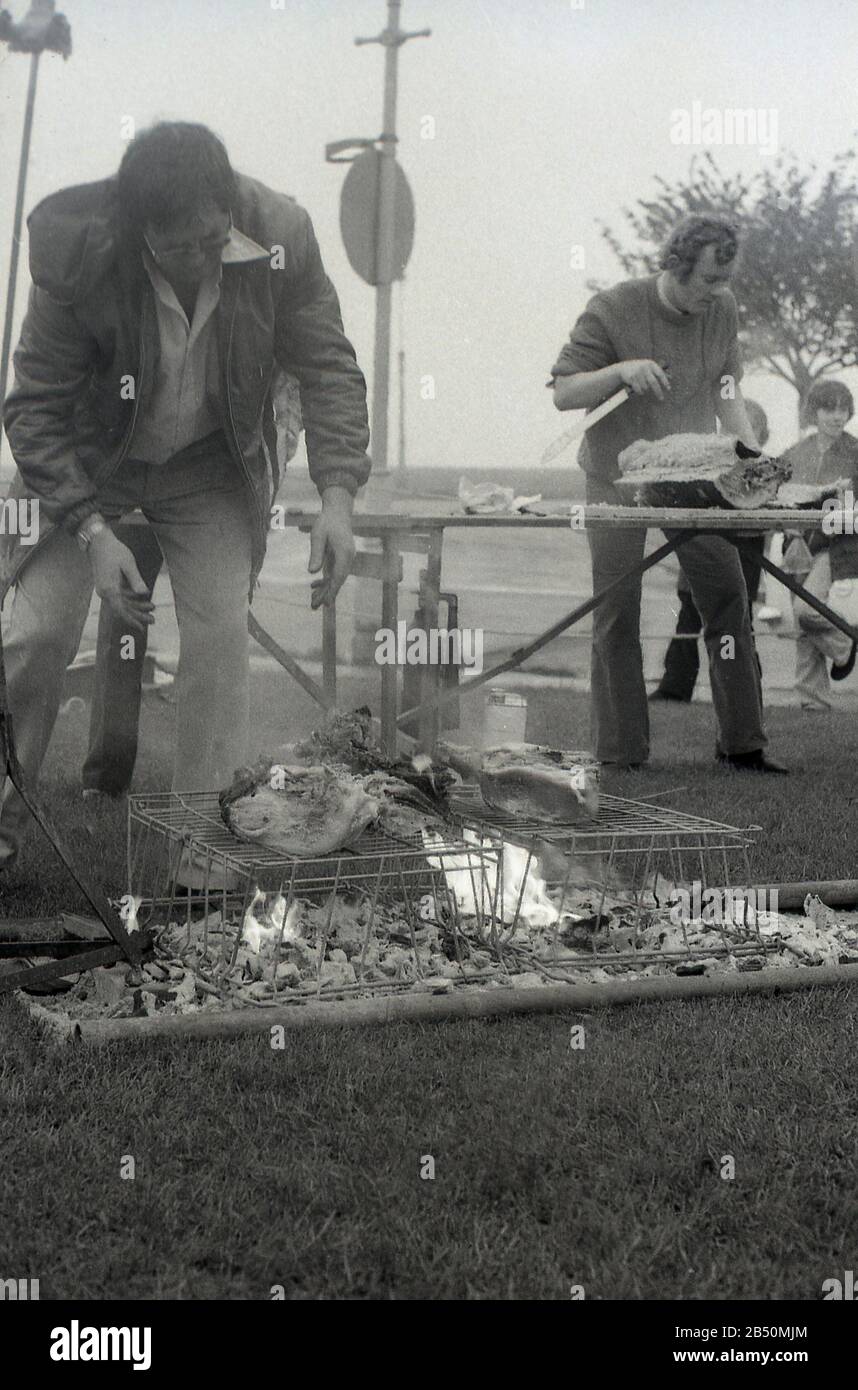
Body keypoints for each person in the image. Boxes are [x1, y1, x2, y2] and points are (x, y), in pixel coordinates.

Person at [0, 121, 370, 868]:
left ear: (228, 205)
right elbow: (33, 408)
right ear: (139, 230)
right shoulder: (80, 252)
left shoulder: (281, 236)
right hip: (91, 458)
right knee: (35, 636)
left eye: (213, 240)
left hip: (207, 465)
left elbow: (328, 367)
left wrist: (336, 499)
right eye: (180, 250)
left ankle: (203, 856)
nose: (202, 261)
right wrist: (94, 532)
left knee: (220, 641)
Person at [549, 212, 787, 773]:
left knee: (728, 593)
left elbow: (728, 393)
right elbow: (564, 393)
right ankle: (622, 755)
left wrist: (752, 460)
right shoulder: (613, 307)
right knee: (617, 610)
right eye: (708, 281)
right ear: (676, 266)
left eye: (726, 281)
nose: (719, 293)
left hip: (689, 479)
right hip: (614, 476)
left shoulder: (721, 310)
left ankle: (743, 745)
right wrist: (622, 370)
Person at [80, 370, 303, 798]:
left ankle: (206, 800)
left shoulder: (279, 344)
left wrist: (267, 473)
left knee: (215, 628)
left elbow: (284, 432)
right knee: (125, 617)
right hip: (136, 472)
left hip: (209, 483)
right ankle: (106, 775)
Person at [650, 398, 770, 703]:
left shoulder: (762, 470)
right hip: (703, 549)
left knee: (739, 622)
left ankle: (745, 691)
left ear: (761, 434)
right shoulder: (709, 466)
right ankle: (675, 686)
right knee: (688, 617)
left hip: (743, 551)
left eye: (749, 429)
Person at [779, 379, 858, 710]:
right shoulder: (796, 453)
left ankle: (844, 643)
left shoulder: (855, 452)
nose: (837, 416)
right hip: (798, 547)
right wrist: (790, 528)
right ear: (815, 411)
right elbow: (778, 495)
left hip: (837, 547)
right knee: (802, 625)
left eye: (843, 408)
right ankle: (813, 701)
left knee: (806, 610)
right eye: (829, 408)